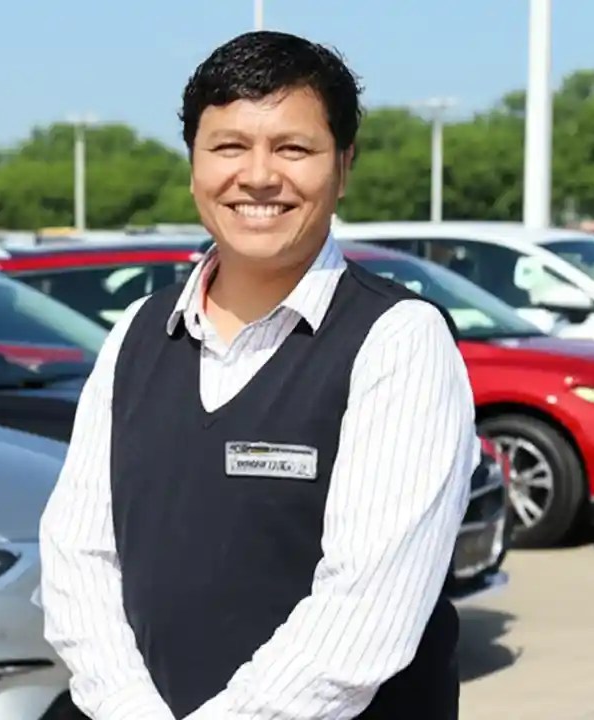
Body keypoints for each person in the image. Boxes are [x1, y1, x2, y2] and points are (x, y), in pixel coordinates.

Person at [38, 30, 479, 719]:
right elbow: (77, 558)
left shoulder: (398, 341)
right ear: (193, 166)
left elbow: (364, 612)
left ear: (344, 166)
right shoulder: (135, 335)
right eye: (229, 146)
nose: (259, 176)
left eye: (293, 148)